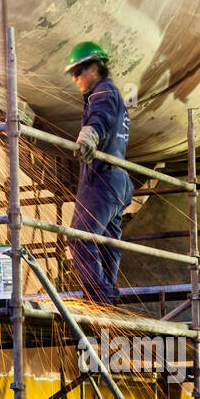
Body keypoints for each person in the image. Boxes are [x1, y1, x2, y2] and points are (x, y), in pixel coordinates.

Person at [64, 41, 133, 306]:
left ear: (94, 67)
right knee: (106, 244)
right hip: (118, 181)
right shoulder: (116, 96)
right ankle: (108, 295)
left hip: (102, 179)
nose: (74, 78)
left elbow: (99, 118)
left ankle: (99, 298)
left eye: (78, 71)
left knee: (79, 238)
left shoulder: (103, 93)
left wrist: (89, 135)